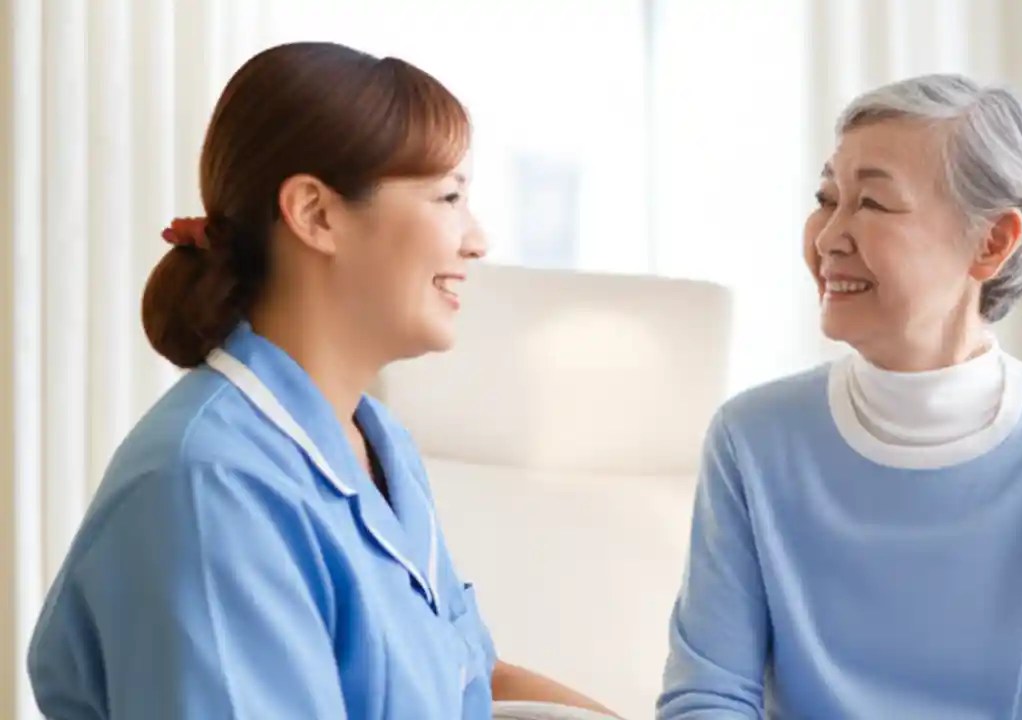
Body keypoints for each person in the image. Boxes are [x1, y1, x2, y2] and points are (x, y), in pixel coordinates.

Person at [28, 41, 613, 720]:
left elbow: (471, 678)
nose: (477, 240)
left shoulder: (378, 443)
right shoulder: (210, 486)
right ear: (315, 213)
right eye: (449, 197)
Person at [658, 74, 1022, 719]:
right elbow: (707, 697)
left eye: (872, 204)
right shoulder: (753, 438)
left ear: (992, 242)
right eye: (827, 198)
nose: (828, 237)